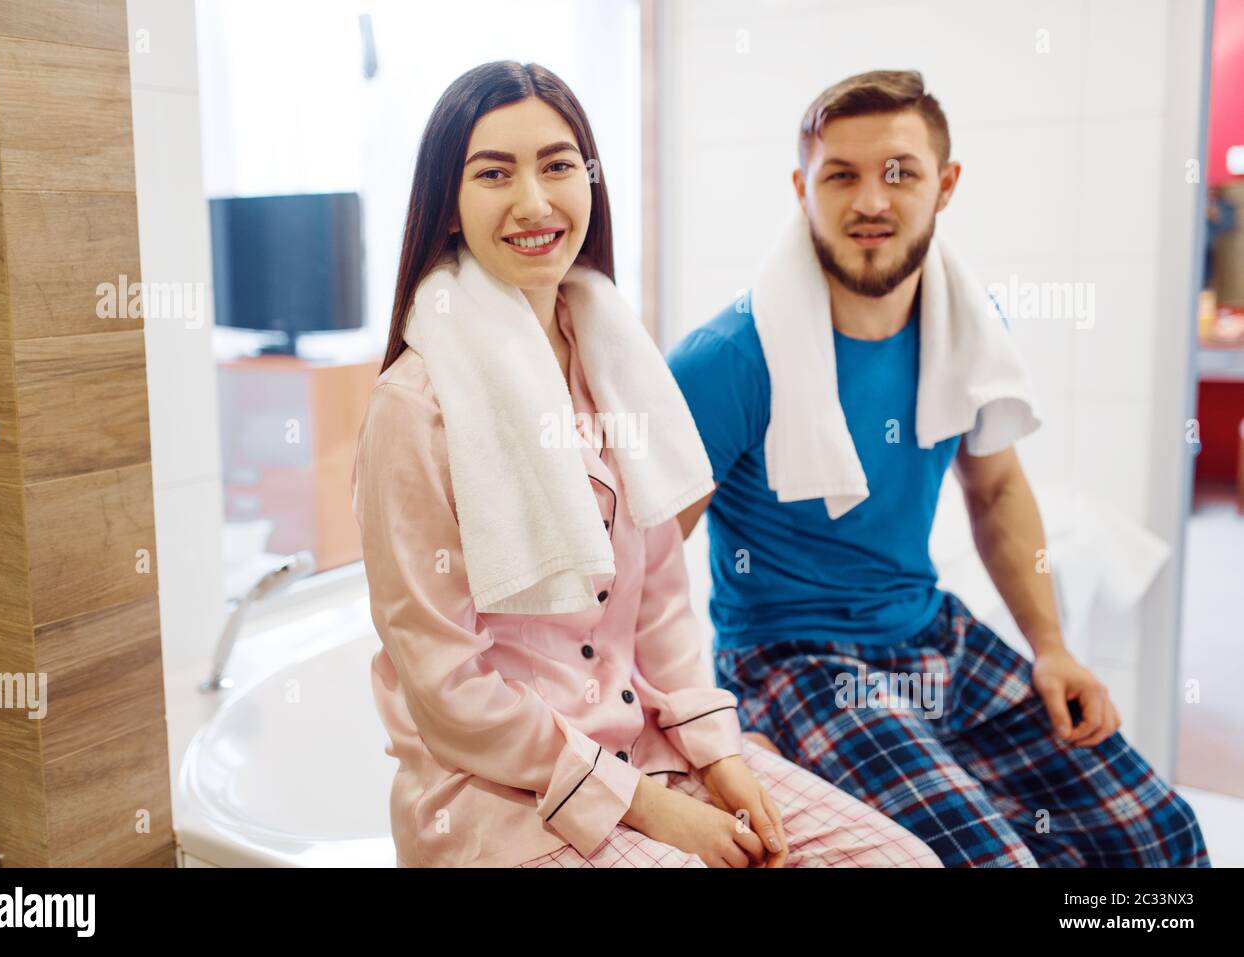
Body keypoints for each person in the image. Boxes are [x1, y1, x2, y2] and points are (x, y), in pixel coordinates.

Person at [351, 60, 942, 869]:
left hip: (652, 748)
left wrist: (723, 757)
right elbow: (447, 689)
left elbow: (661, 603)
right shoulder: (413, 407)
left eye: (558, 165)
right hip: (502, 800)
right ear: (447, 207)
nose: (535, 201)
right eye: (494, 173)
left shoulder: (619, 364)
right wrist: (652, 809)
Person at [667, 69, 1211, 868]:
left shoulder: (966, 327)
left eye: (899, 173)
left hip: (931, 634)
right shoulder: (727, 359)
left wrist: (1052, 645)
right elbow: (644, 566)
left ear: (945, 185)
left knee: (1162, 837)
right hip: (789, 662)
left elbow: (997, 489)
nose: (871, 201)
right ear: (802, 188)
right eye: (841, 175)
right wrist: (709, 727)